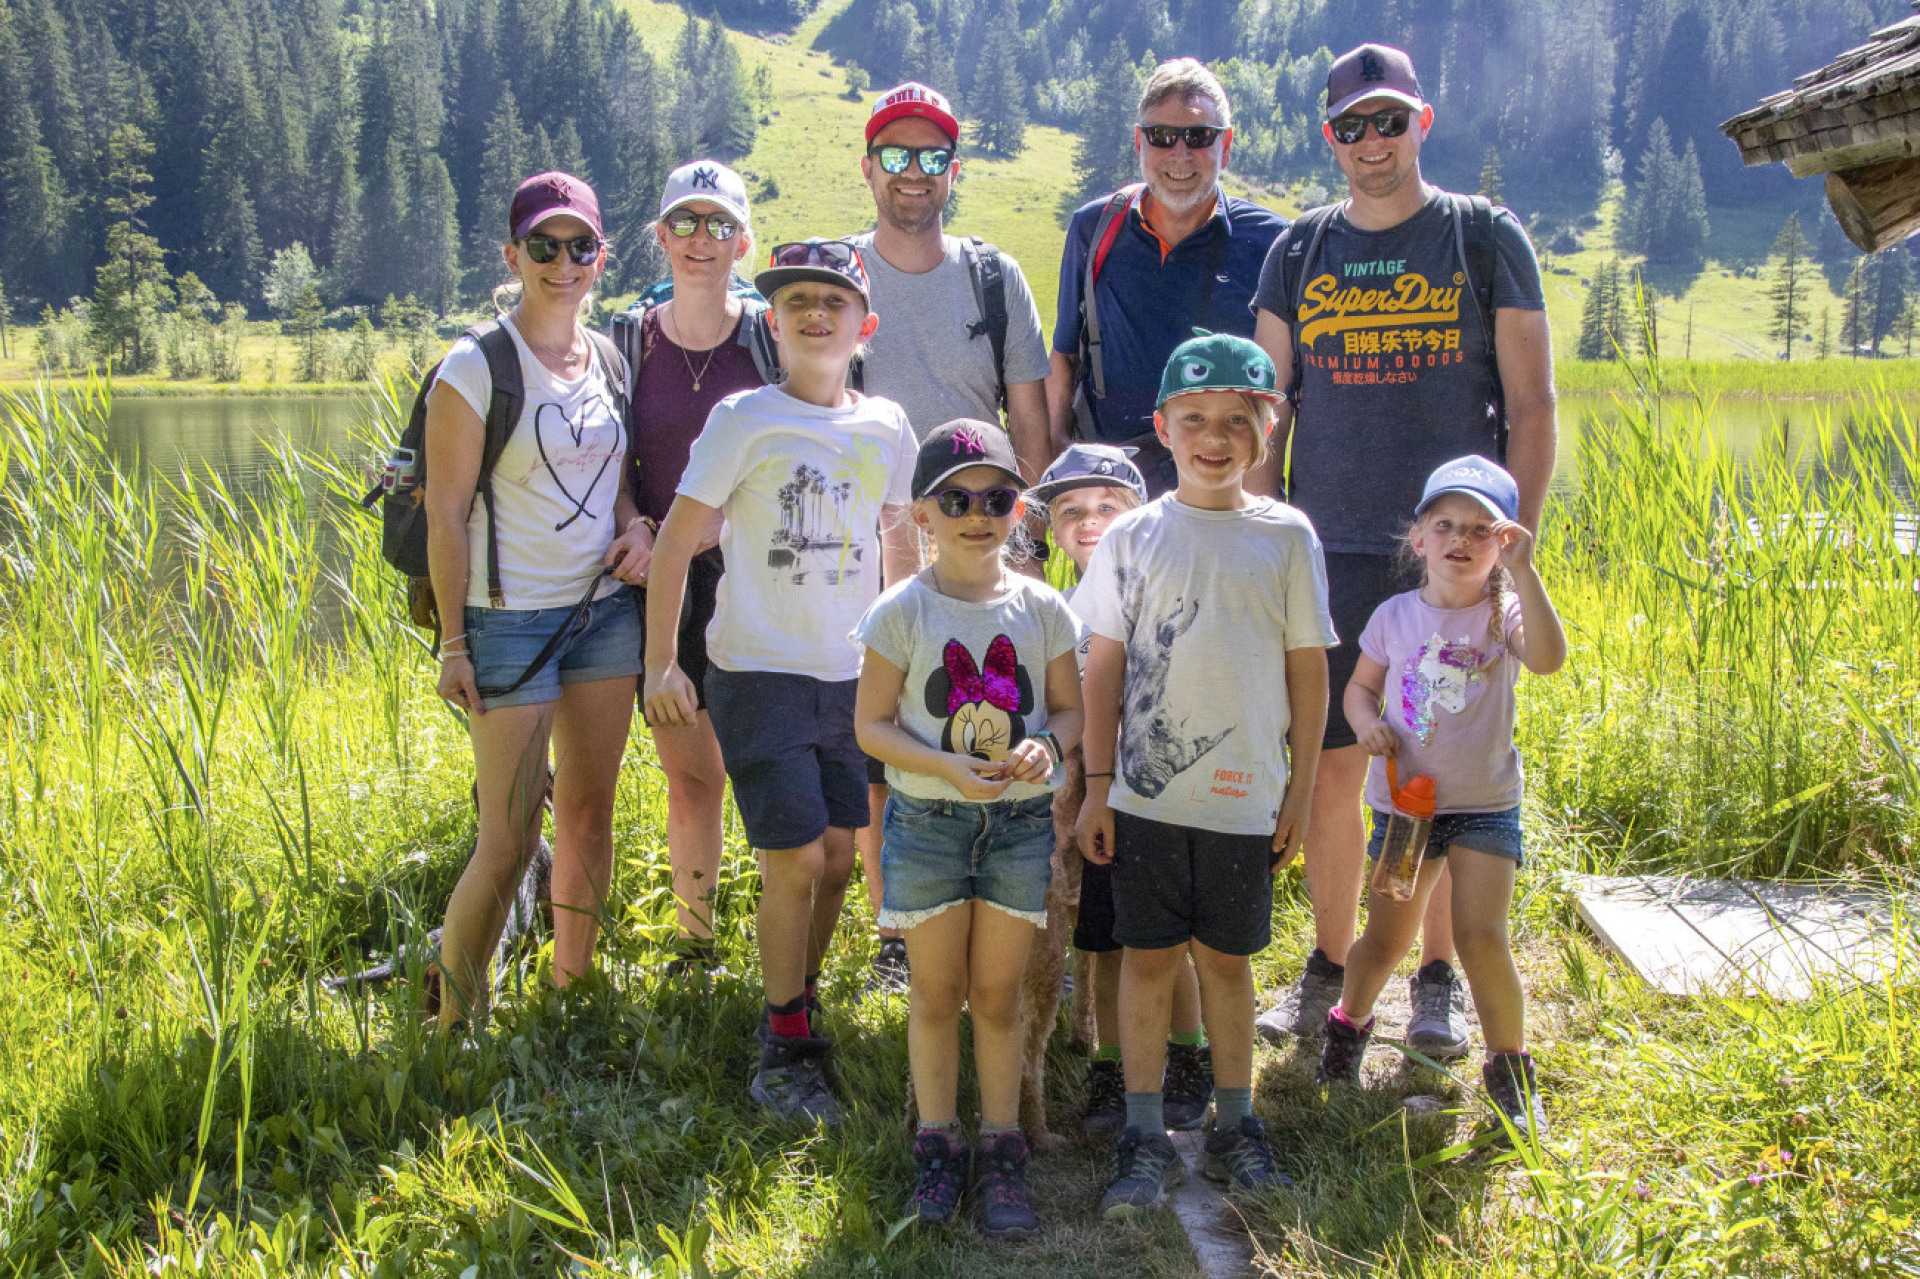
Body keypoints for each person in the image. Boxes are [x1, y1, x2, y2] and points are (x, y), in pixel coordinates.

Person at [1248, 43, 1558, 1059]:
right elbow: (1265, 411)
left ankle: (1434, 983)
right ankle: (1334, 967)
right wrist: (1257, 536)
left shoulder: (1481, 234)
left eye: (1389, 121)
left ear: (1422, 122)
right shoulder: (1297, 251)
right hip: (1325, 548)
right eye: (1351, 126)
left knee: (1443, 765)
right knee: (1340, 767)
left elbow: (1532, 402)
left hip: (1452, 553)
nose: (1371, 142)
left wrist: (1509, 552)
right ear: (1329, 137)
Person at [642, 239, 918, 1126]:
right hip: (755, 672)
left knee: (839, 857)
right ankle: (784, 1044)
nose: (813, 314)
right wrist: (660, 663)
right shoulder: (741, 419)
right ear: (772, 320)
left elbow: (899, 542)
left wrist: (907, 660)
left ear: (862, 325)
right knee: (795, 856)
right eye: (795, 299)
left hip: (849, 677)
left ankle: (796, 998)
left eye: (832, 302)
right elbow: (677, 542)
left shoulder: (887, 426)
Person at [1073, 334, 1335, 1215]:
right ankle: (1144, 1133)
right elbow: (1102, 664)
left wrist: (1299, 791)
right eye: (1194, 420)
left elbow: (1308, 669)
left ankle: (1235, 1124)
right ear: (1162, 426)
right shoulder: (1133, 536)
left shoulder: (1288, 536)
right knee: (1147, 961)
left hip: (1245, 801)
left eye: (1237, 419)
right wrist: (1101, 781)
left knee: (1227, 963)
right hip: (1145, 799)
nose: (1214, 437)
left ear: (1270, 426)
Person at [853, 419, 1083, 1239]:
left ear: (1018, 509)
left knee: (997, 998)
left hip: (1019, 828)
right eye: (957, 498)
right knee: (934, 994)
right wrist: (946, 766)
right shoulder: (900, 611)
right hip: (927, 823)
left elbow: (1070, 711)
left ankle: (1003, 1153)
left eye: (996, 497)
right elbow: (872, 727)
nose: (977, 512)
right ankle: (937, 1148)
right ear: (923, 516)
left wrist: (1046, 745)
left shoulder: (1042, 607)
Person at [848, 81, 1056, 990]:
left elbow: (1029, 416)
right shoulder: (842, 279)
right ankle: (901, 922)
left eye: (932, 157)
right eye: (896, 155)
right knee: (885, 733)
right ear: (868, 168)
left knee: (989, 717)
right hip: (871, 546)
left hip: (982, 540)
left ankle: (997, 902)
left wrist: (1030, 534)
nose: (913, 174)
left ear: (954, 172)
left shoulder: (992, 277)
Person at [429, 171, 649, 1020]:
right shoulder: (475, 367)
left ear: (601, 256)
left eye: (580, 247)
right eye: (545, 247)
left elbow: (617, 484)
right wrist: (454, 644)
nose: (564, 263)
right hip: (507, 626)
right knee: (510, 835)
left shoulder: (611, 362)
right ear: (513, 255)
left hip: (602, 615)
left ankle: (569, 993)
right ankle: (456, 1018)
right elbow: (447, 517)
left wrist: (638, 528)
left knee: (591, 812)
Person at [1314, 456, 1567, 1142]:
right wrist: (1366, 724)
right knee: (1386, 939)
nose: (1461, 539)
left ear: (1504, 543)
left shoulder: (1504, 612)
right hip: (1408, 808)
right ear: (1418, 538)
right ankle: (1349, 1025)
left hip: (1485, 802)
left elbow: (1547, 658)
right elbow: (1361, 689)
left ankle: (1510, 1072)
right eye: (1445, 524)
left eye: (1482, 530)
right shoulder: (1395, 616)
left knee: (1484, 937)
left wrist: (1527, 574)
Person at [1029, 446, 1214, 1137]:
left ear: (1142, 515)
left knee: (1167, 944)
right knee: (1103, 941)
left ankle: (1188, 1055)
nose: (1090, 521)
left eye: (1109, 507)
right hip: (1096, 799)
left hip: (1162, 795)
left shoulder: (1170, 590)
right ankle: (1109, 1067)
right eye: (1071, 510)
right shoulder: (1060, 609)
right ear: (1050, 524)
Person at [617, 159, 770, 975]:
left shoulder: (770, 340)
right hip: (663, 581)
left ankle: (792, 945)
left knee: (770, 766)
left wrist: (695, 531)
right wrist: (638, 524)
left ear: (743, 241)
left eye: (718, 225)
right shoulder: (628, 341)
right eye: (685, 223)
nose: (700, 240)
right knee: (691, 779)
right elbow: (607, 458)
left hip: (755, 575)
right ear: (660, 237)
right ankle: (697, 942)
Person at [1046, 59, 1286, 496]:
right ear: (1139, 142)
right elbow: (1064, 354)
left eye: (1198, 136)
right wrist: (1061, 453)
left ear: (1226, 146)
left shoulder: (1273, 241)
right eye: (1160, 136)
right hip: (1116, 488)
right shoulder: (1094, 229)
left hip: (1226, 487)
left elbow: (1290, 386)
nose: (1179, 154)